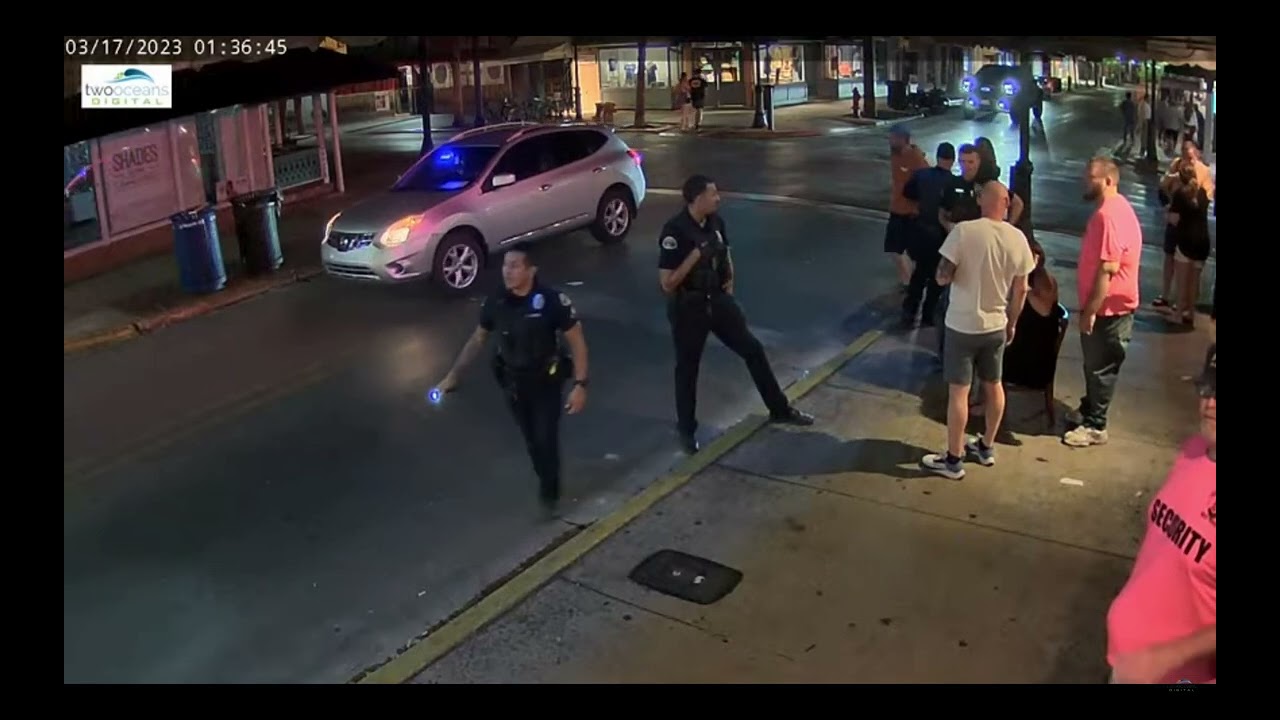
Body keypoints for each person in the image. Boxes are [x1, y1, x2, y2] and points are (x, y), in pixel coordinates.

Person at [658, 174, 814, 454]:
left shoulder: (716, 222)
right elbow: (667, 283)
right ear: (697, 198)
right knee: (687, 370)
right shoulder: (675, 231)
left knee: (753, 350)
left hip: (717, 301)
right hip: (688, 308)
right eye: (712, 194)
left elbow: (725, 251)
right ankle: (686, 431)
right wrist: (694, 256)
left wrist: (729, 279)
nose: (718, 198)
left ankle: (779, 408)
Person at [435, 242, 590, 514]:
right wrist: (453, 376)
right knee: (531, 440)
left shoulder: (551, 300)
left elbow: (577, 342)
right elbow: (478, 338)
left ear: (531, 270)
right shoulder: (497, 301)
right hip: (514, 385)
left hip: (546, 383)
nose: (507, 272)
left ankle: (549, 493)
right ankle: (544, 475)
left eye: (515, 266)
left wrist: (580, 385)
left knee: (545, 438)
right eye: (506, 265)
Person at [1106, 345, 1215, 684]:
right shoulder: (1194, 452)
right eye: (1208, 388)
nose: (1210, 402)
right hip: (1127, 663)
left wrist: (1164, 659)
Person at [920, 181, 1035, 480]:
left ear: (985, 200)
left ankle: (954, 459)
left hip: (961, 324)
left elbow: (943, 277)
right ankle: (986, 446)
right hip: (995, 325)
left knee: (959, 392)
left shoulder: (964, 231)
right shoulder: (1017, 238)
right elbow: (1021, 288)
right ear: (1006, 203)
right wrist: (1012, 322)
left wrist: (948, 270)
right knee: (993, 385)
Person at [1064, 157, 1142, 448]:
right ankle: (1089, 408)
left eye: (1091, 177)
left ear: (1108, 180)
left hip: (1110, 310)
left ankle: (1096, 425)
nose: (1086, 181)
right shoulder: (1114, 209)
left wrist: (1090, 311)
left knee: (1101, 368)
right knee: (1095, 366)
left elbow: (1108, 269)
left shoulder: (1108, 216)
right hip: (1110, 308)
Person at [935, 143, 985, 358]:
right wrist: (948, 228)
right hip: (953, 249)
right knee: (945, 300)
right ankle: (945, 351)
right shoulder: (951, 184)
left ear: (978, 162)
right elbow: (942, 212)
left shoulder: (985, 187)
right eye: (963, 162)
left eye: (970, 162)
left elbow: (1010, 204)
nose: (966, 167)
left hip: (977, 252)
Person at [901, 141, 956, 328]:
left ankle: (909, 311)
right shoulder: (952, 182)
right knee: (935, 277)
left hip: (919, 232)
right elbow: (950, 209)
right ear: (952, 160)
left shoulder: (921, 175)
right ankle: (928, 314)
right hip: (939, 236)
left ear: (938, 157)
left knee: (919, 273)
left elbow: (907, 192)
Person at [998, 240, 1065, 392]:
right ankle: (986, 401)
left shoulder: (1041, 280)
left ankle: (988, 405)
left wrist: (1023, 288)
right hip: (1028, 353)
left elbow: (1043, 310)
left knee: (987, 355)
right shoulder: (1030, 278)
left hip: (1032, 363)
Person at [1167, 164, 1212, 327]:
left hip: (1186, 240)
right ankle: (1190, 313)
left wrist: (1168, 210)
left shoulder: (1180, 194)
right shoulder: (1202, 193)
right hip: (1202, 241)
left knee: (1182, 281)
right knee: (1194, 281)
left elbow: (1174, 219)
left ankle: (1178, 314)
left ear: (1180, 177)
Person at [886, 125, 930, 289]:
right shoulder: (895, 155)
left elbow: (926, 181)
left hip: (911, 212)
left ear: (903, 138)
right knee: (894, 249)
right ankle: (908, 281)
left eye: (893, 137)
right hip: (897, 208)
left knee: (907, 251)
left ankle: (911, 283)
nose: (890, 140)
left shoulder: (916, 158)